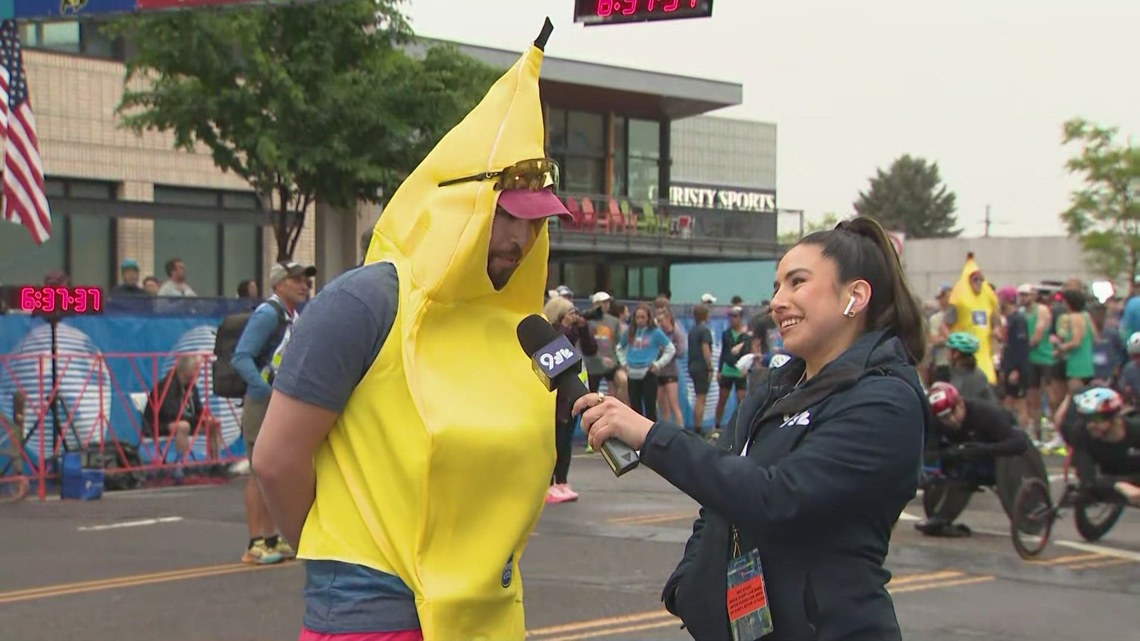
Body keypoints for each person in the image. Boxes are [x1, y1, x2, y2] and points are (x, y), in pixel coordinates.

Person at [251, 23, 578, 641]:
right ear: (459, 206)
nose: (521, 239)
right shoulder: (365, 303)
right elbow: (276, 459)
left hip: (484, 610)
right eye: (507, 216)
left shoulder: (521, 327)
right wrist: (338, 547)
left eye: (536, 224)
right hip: (371, 610)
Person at [574, 216, 931, 641]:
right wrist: (691, 587)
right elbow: (720, 491)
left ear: (855, 296)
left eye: (797, 283)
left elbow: (775, 497)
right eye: (777, 286)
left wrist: (651, 437)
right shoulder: (774, 388)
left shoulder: (885, 402)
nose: (777, 301)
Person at [232, 260, 314, 565]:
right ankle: (255, 541)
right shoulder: (268, 313)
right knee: (258, 471)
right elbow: (242, 357)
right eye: (296, 280)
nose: (304, 285)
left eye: (306, 280)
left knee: (273, 470)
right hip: (261, 401)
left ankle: (271, 535)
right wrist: (265, 391)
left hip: (277, 401)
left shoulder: (290, 314)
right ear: (279, 284)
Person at [916, 382, 1029, 537]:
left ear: (960, 402)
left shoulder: (984, 413)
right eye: (944, 417)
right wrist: (947, 457)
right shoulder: (936, 422)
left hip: (997, 460)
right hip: (968, 460)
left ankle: (941, 519)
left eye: (952, 413)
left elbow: (1019, 443)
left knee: (969, 467)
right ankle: (939, 518)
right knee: (953, 467)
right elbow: (930, 453)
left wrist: (981, 450)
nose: (951, 420)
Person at [543, 296, 596, 504]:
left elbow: (591, 350)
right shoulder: (549, 332)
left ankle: (562, 480)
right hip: (554, 396)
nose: (574, 316)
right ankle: (547, 483)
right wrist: (564, 328)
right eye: (570, 313)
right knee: (553, 441)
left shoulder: (573, 333)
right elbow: (557, 352)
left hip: (571, 394)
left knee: (566, 441)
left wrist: (583, 329)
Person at [1056, 387, 1140, 505]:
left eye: (1097, 418)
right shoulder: (1081, 432)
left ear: (1114, 417)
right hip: (1107, 481)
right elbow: (1088, 479)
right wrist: (1119, 485)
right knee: (1086, 488)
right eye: (1086, 419)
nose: (1091, 425)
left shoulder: (1136, 430)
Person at [618, 303, 676, 422]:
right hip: (632, 372)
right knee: (635, 408)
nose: (639, 320)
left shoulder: (656, 332)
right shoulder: (631, 331)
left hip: (648, 372)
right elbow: (619, 348)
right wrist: (623, 363)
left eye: (643, 317)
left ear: (648, 318)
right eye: (637, 317)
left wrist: (658, 364)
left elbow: (671, 349)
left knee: (650, 408)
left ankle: (651, 436)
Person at [947, 331, 998, 404]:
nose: (947, 353)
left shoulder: (974, 378)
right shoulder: (956, 371)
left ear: (956, 354)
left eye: (949, 349)